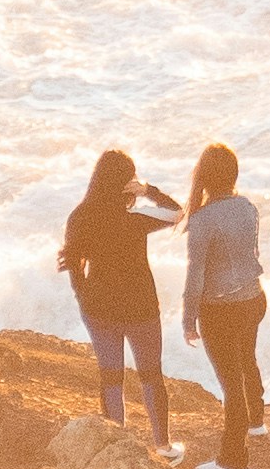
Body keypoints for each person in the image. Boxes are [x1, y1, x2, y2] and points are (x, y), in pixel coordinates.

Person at [55, 148, 182, 449]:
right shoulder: (136, 218)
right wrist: (149, 190)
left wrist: (83, 296)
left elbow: (73, 263)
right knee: (151, 376)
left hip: (99, 308)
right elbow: (178, 214)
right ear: (127, 183)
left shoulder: (79, 217)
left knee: (111, 378)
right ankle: (163, 447)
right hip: (141, 308)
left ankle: (116, 446)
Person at [179, 143, 265, 469]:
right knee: (247, 360)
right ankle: (257, 422)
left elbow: (196, 274)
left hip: (221, 308)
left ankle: (234, 461)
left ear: (204, 177)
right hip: (254, 298)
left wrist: (188, 320)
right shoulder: (248, 207)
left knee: (231, 382)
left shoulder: (202, 219)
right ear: (234, 174)